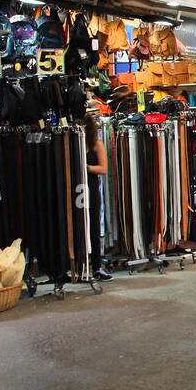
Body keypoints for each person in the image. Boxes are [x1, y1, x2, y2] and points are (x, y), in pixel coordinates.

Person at [84, 113, 113, 282]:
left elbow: (103, 168)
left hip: (91, 188)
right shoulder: (77, 143)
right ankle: (81, 265)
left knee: (94, 226)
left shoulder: (96, 144)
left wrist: (86, 167)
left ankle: (96, 266)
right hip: (78, 188)